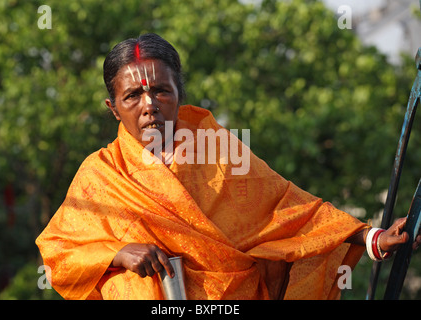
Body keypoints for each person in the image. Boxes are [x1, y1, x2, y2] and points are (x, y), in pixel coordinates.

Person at [36, 33, 420, 300]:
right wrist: (117, 254)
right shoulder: (98, 176)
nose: (149, 104)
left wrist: (373, 239)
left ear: (178, 94)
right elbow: (58, 253)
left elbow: (290, 211)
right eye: (133, 95)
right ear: (113, 108)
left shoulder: (218, 149)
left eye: (161, 91)